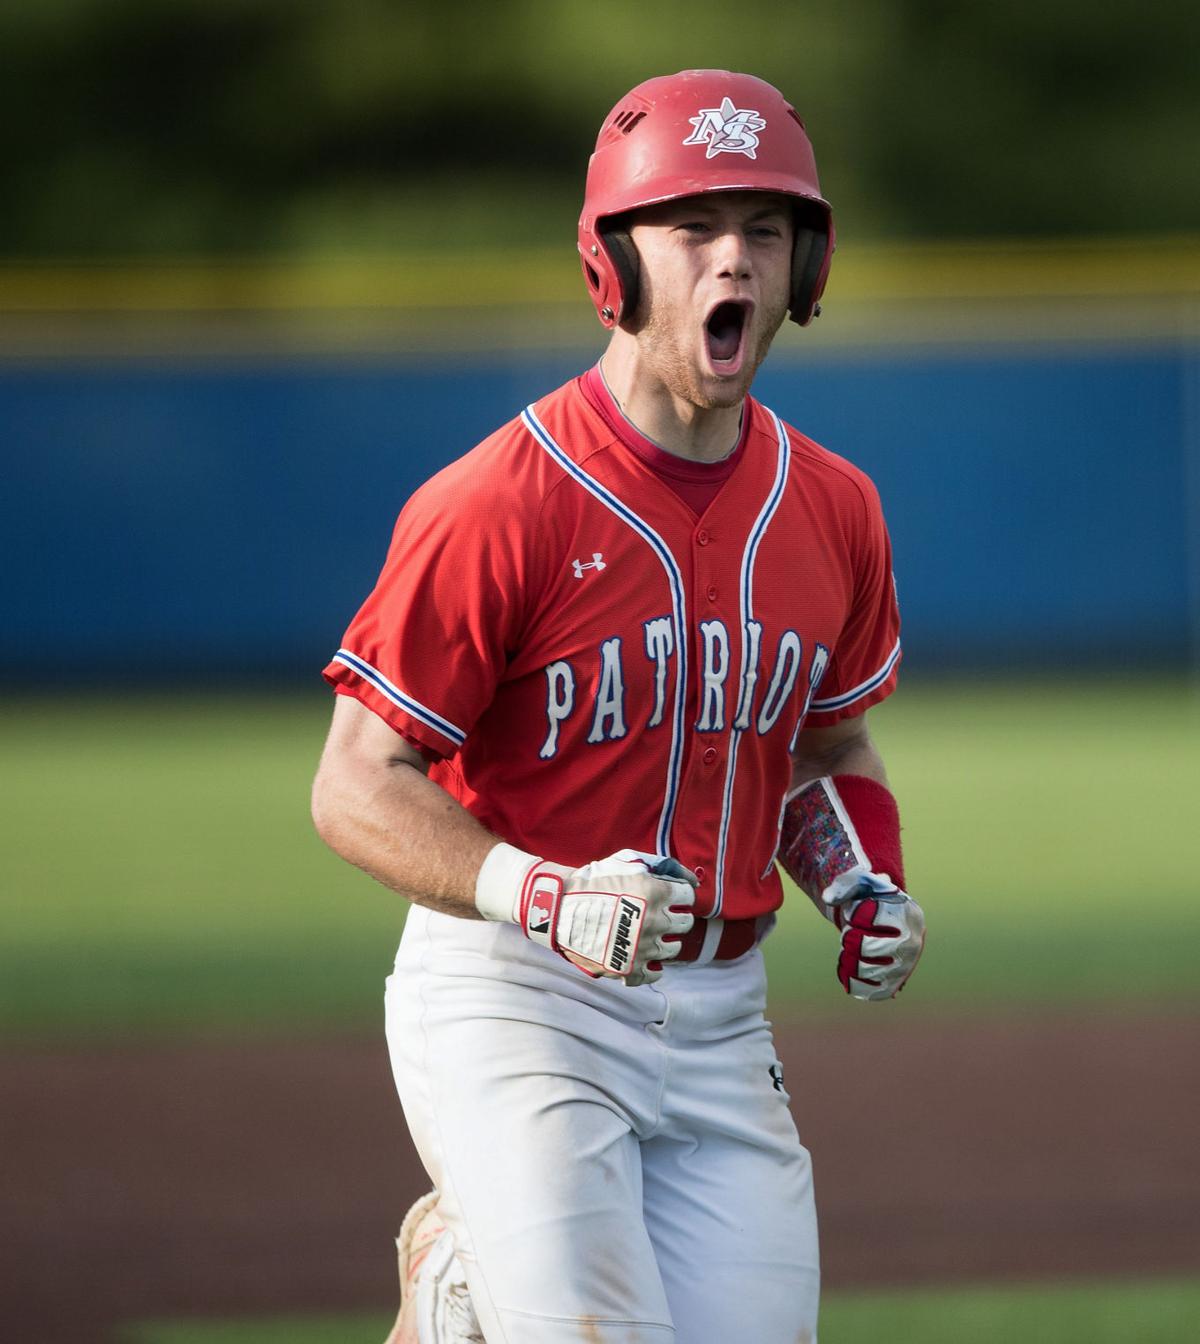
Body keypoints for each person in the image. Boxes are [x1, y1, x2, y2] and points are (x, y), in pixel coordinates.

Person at [311, 68, 925, 1344]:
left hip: (720, 1015)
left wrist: (864, 883)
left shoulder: (835, 507)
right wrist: (544, 891)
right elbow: (356, 782)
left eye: (766, 229)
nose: (732, 262)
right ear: (615, 266)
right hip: (515, 991)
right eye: (692, 228)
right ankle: (469, 1292)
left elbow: (828, 746)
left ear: (805, 268)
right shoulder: (497, 500)